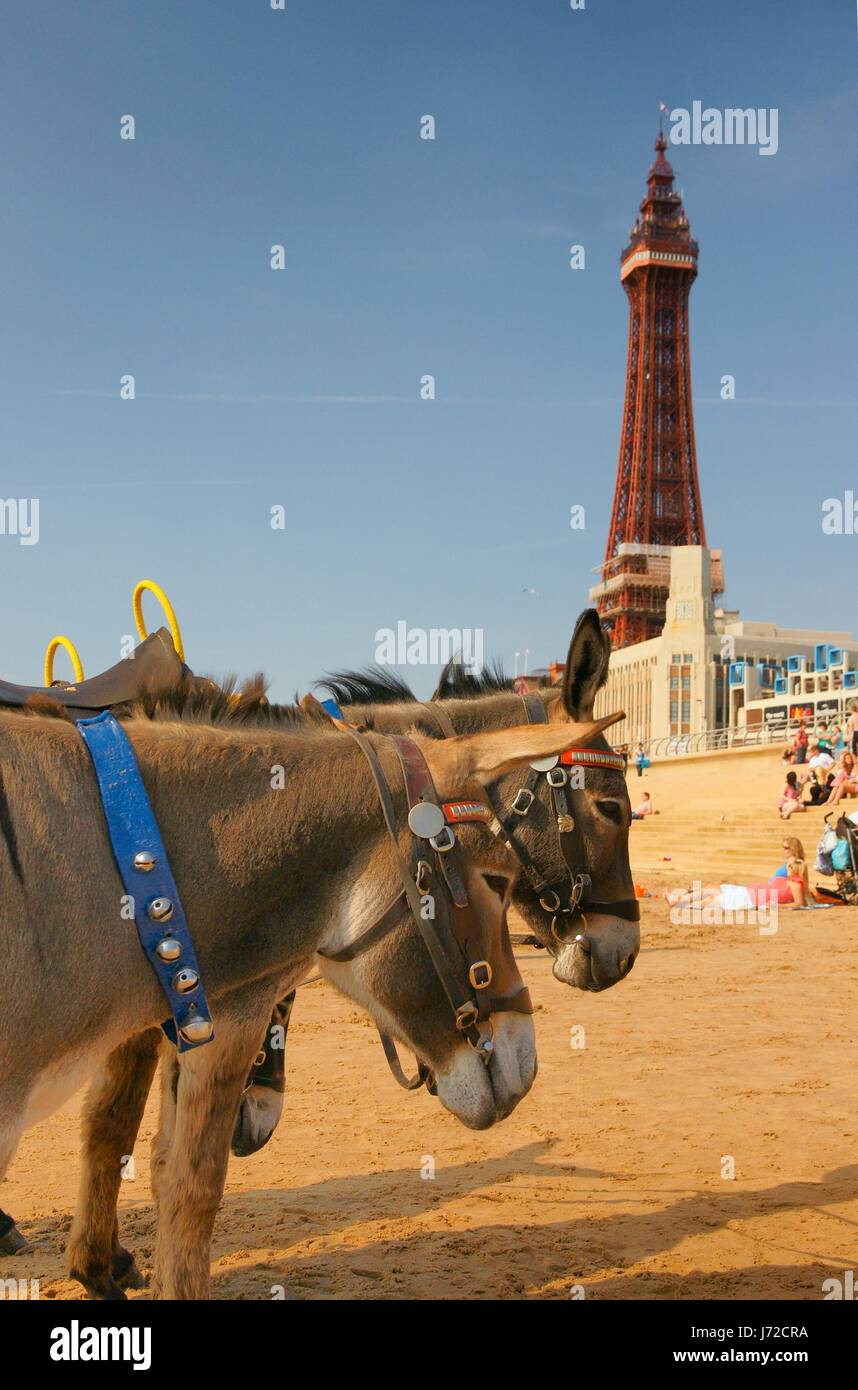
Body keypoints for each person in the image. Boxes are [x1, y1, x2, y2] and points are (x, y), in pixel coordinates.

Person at [666, 864, 811, 913]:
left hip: (752, 898)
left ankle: (682, 906)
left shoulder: (795, 883)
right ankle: (677, 899)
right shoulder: (788, 880)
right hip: (748, 892)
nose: (787, 867)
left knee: (713, 899)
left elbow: (800, 904)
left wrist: (777, 906)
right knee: (711, 889)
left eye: (791, 866)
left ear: (797, 869)